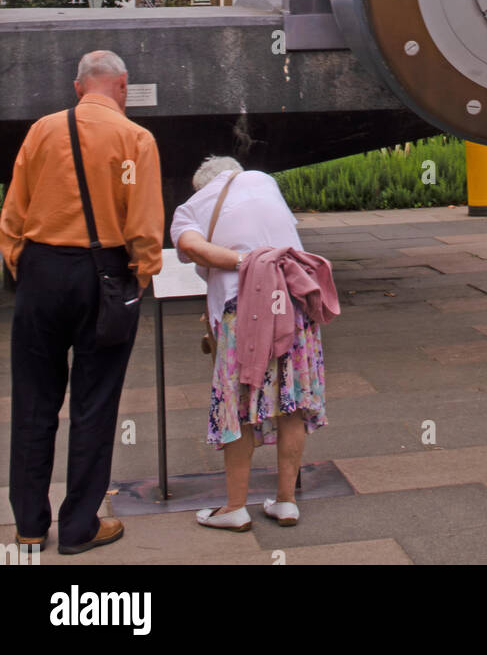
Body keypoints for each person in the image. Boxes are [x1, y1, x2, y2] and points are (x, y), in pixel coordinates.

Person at [0, 50, 163, 554]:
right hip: (106, 278)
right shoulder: (135, 140)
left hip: (42, 273)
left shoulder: (42, 131)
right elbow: (141, 223)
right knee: (94, 404)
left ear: (77, 88)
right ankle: (78, 527)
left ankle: (28, 527)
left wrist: (20, 264)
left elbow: (14, 211)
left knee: (33, 402)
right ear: (122, 85)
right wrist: (143, 274)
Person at [170, 157, 328, 532]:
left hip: (241, 311)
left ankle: (235, 507)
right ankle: (287, 502)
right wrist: (268, 260)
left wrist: (249, 261)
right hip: (294, 301)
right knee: (292, 402)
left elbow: (195, 249)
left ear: (201, 186)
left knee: (240, 405)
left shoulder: (189, 209)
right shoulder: (264, 182)